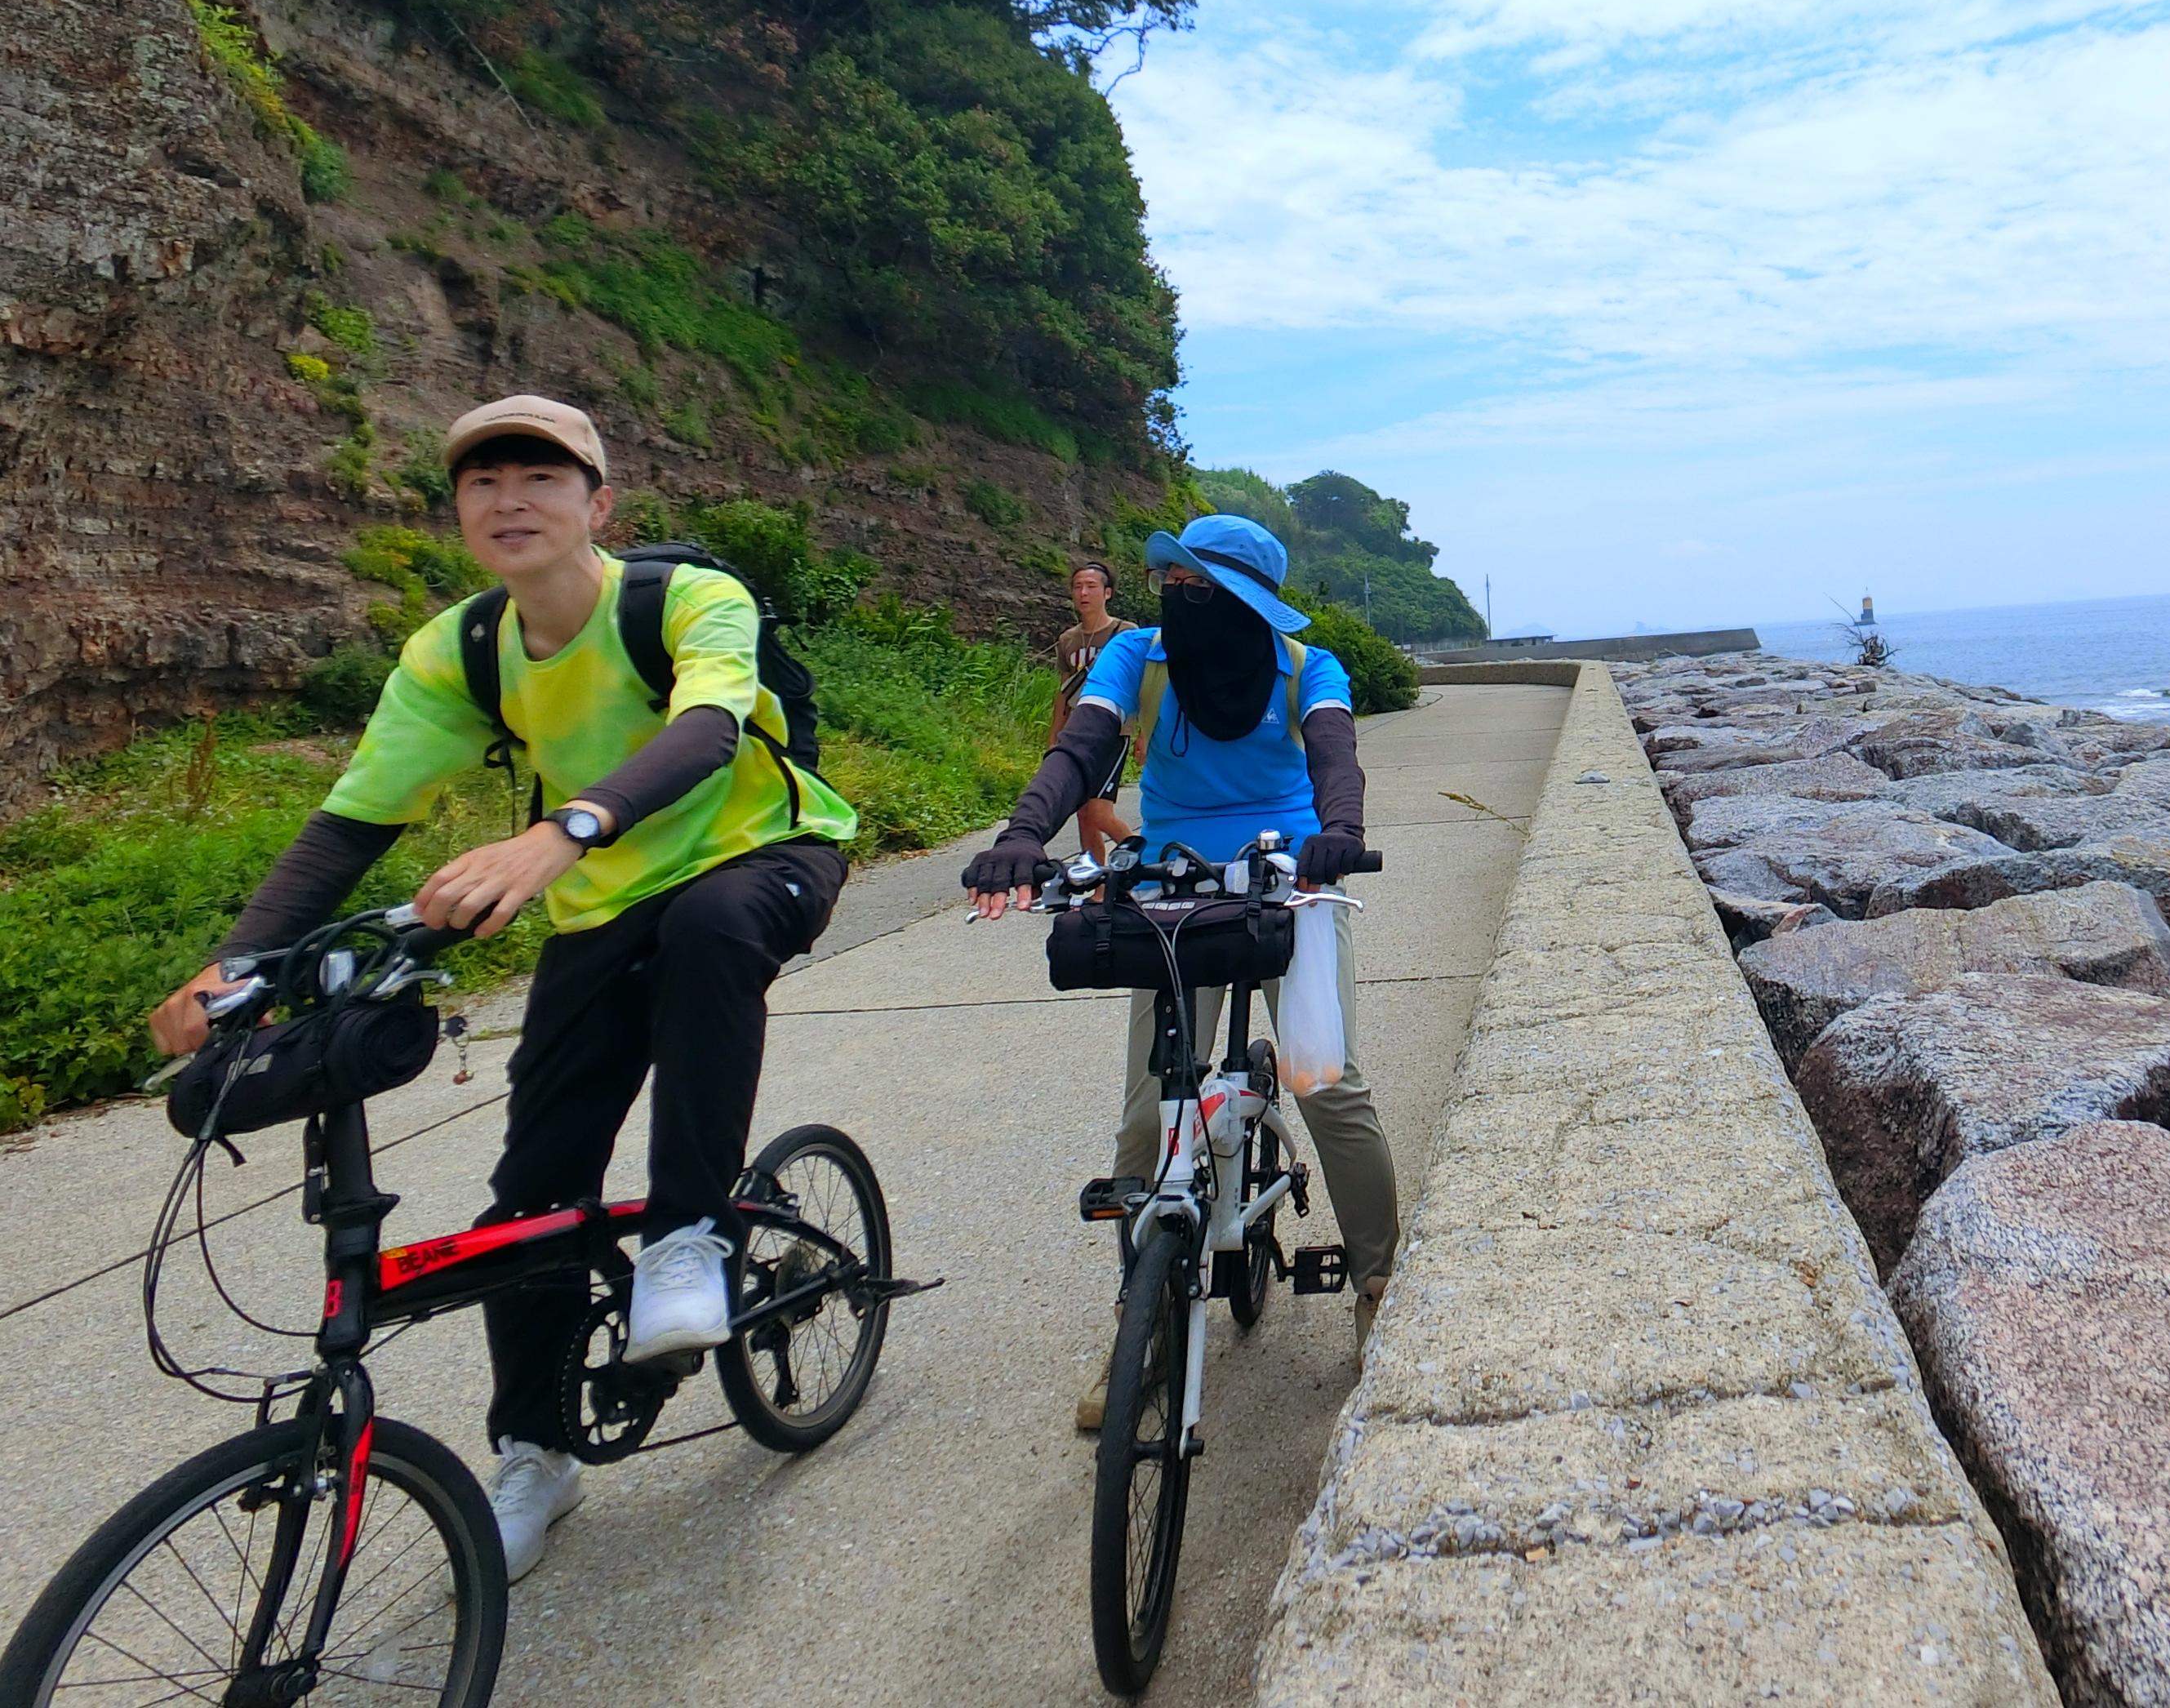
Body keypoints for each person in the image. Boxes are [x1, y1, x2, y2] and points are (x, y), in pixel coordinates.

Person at [147, 395, 858, 1581]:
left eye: (541, 475)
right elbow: (351, 823)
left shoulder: (685, 599)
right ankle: (534, 1450)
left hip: (761, 857)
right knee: (530, 1195)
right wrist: (237, 967)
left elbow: (710, 731)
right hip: (594, 901)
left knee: (709, 929)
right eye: (482, 483)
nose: (510, 499)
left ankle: (692, 1236)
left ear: (600, 504)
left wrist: (562, 831)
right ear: (460, 514)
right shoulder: (459, 649)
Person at [963, 513, 1396, 1430]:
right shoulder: (1139, 657)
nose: (1179, 598)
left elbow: (1333, 756)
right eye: (1171, 582)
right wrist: (1020, 836)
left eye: (1201, 587)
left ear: (1248, 601)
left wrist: (1341, 835)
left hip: (1290, 877)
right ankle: (1143, 1321)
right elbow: (1080, 748)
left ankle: (1378, 1283)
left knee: (1327, 1081)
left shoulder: (1307, 667)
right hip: (1173, 884)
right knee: (1145, 1109)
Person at [1051, 556, 1135, 856]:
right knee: (1083, 815)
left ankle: (1144, 864)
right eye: (1078, 587)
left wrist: (1145, 735)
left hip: (1113, 730)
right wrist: (1054, 738)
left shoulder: (1126, 633)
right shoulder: (1068, 640)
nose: (1083, 594)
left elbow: (1142, 687)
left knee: (1099, 813)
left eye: (1091, 587)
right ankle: (1098, 885)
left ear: (1107, 592)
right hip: (1077, 732)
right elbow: (1063, 693)